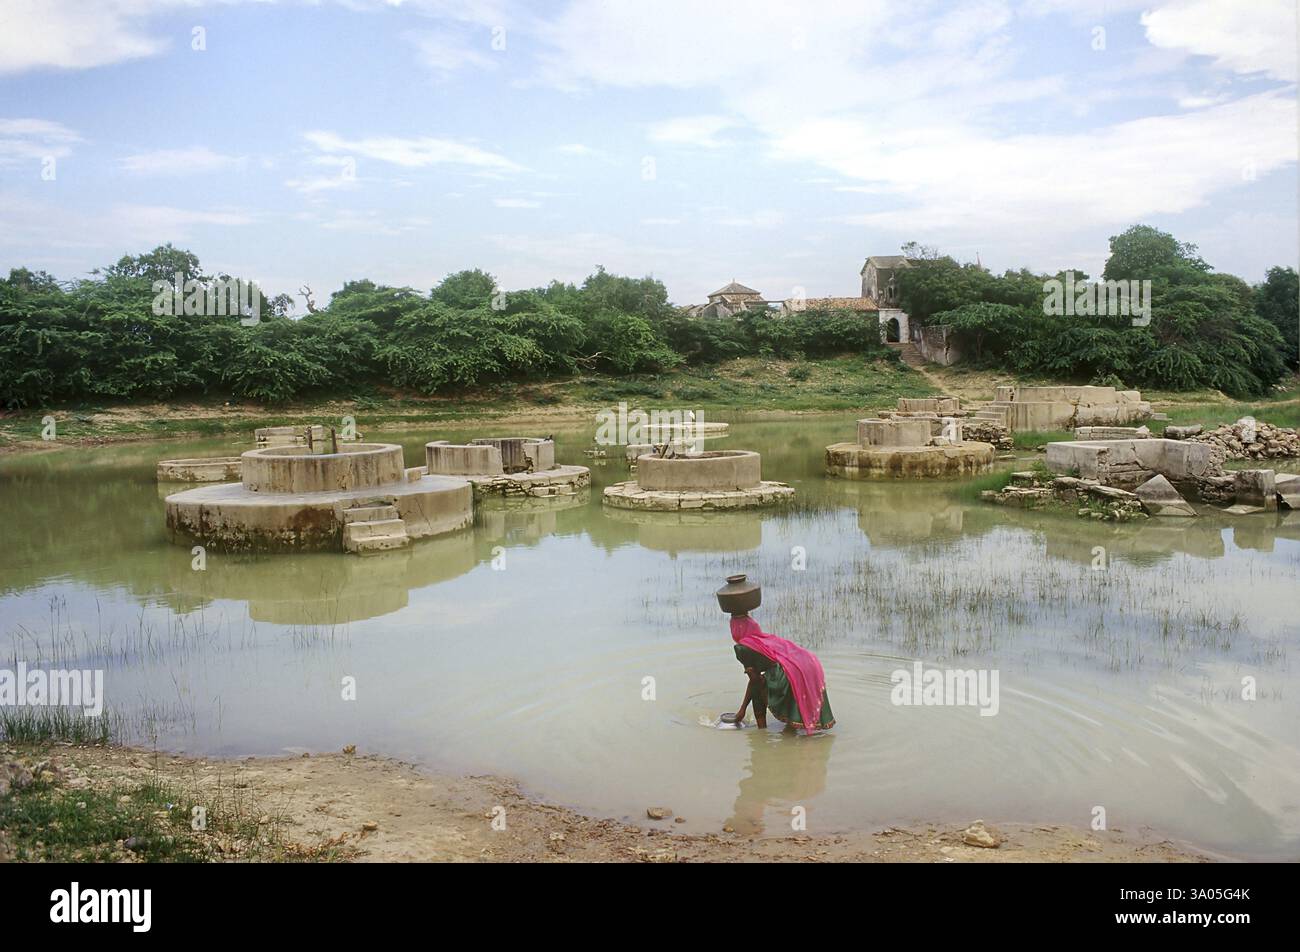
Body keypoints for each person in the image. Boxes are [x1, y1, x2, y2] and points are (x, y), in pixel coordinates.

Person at [730, 613, 834, 734]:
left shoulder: (742, 648)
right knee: (764, 683)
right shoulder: (765, 639)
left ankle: (762, 734)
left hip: (792, 670)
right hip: (811, 665)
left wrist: (742, 710)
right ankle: (792, 727)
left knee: (757, 690)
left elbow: (755, 681)